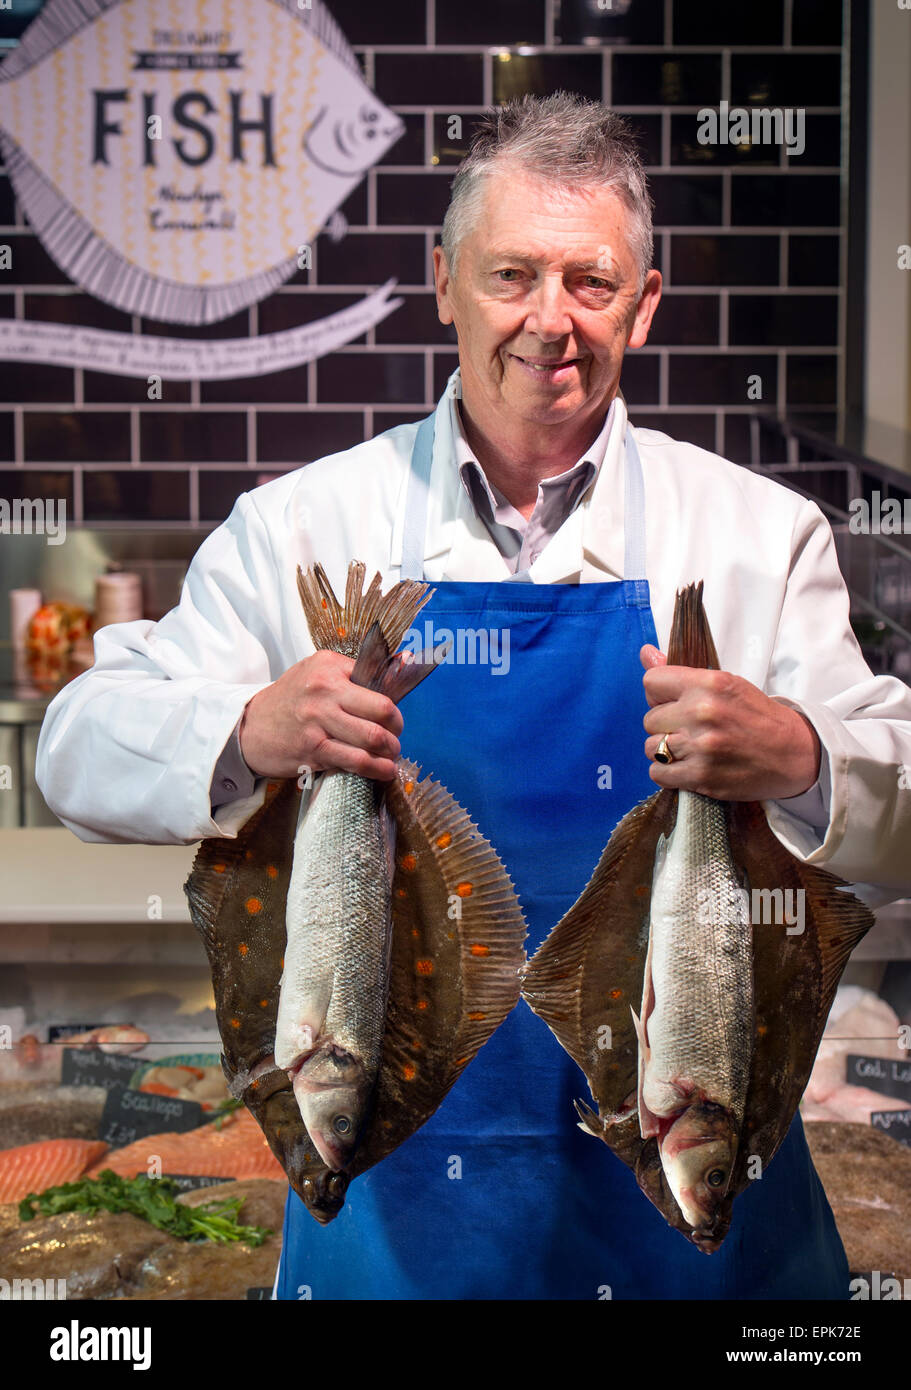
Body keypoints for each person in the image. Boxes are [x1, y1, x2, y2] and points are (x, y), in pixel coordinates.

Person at [36, 94, 911, 1300]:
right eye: (510, 274)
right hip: (390, 1237)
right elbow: (74, 749)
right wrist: (247, 731)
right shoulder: (302, 524)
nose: (548, 321)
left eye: (589, 282)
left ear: (642, 308)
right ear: (443, 282)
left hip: (706, 1255)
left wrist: (806, 752)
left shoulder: (759, 535)